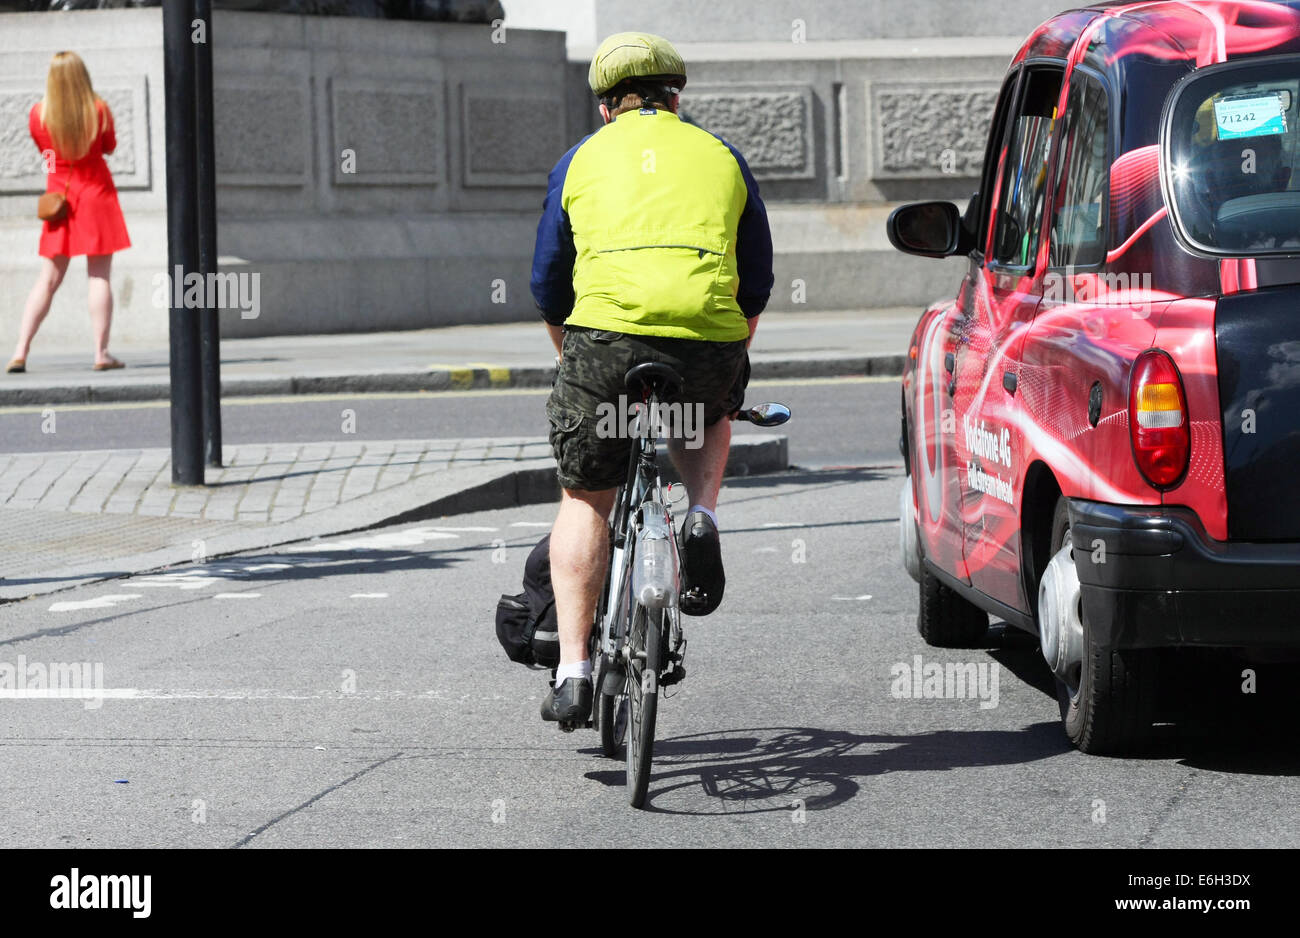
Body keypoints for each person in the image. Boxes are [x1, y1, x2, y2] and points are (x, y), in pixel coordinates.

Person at [530, 32, 774, 723]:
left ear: (606, 106)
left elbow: (549, 284)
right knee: (708, 411)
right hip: (706, 339)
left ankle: (574, 671)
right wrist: (729, 356)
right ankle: (699, 516)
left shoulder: (578, 160)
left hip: (603, 342)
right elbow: (755, 279)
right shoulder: (723, 156)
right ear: (677, 98)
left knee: (585, 500)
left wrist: (568, 355)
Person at [7, 51, 131, 374]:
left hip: (60, 200)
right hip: (96, 196)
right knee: (99, 276)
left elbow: (46, 155)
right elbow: (109, 146)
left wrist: (56, 172)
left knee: (47, 279)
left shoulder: (39, 115)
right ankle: (101, 352)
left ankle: (20, 350)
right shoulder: (99, 110)